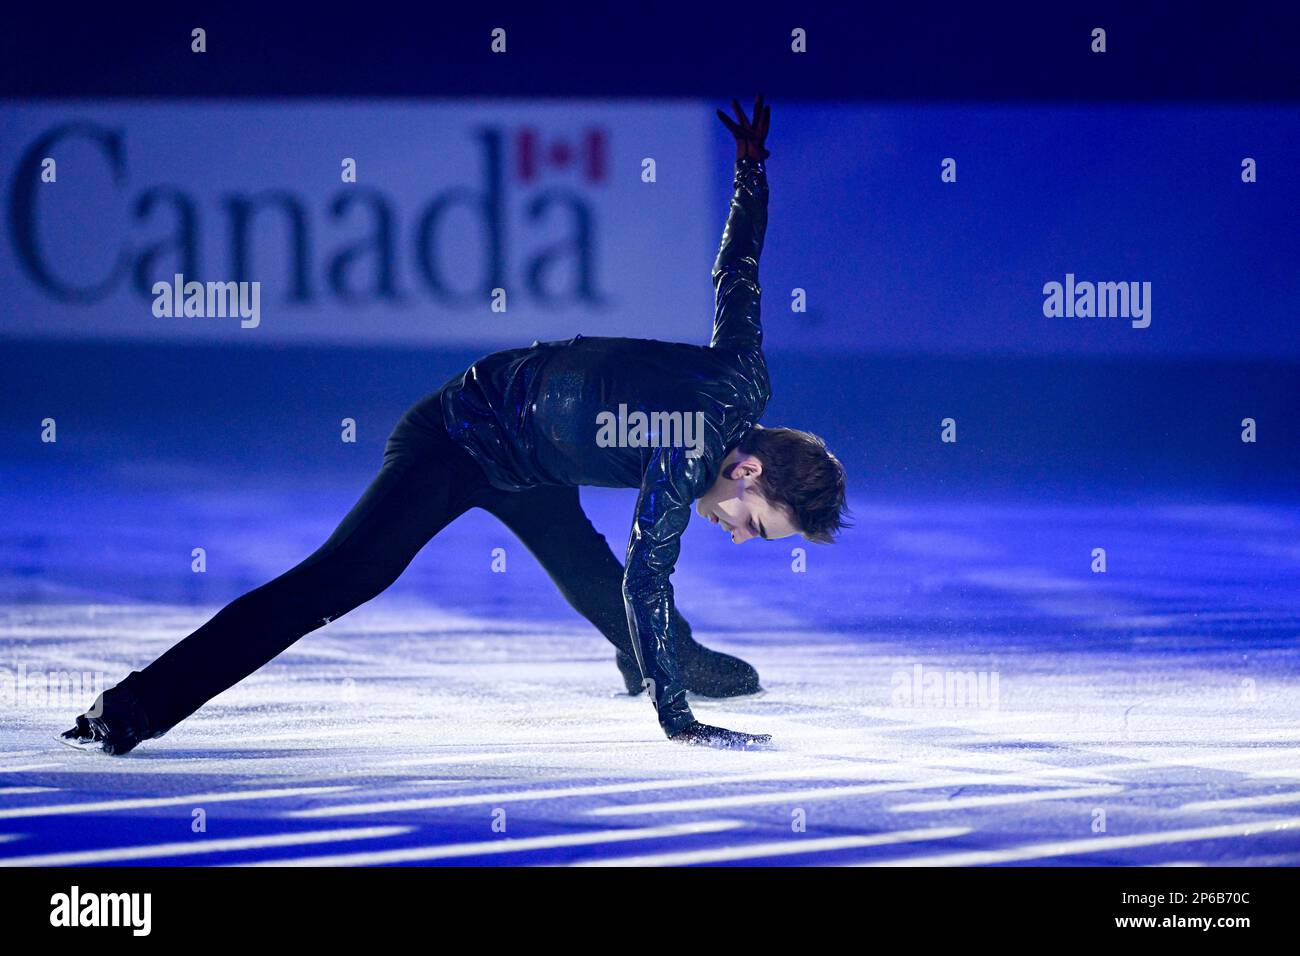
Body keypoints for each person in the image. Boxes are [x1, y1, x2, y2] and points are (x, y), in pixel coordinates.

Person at [62, 94, 848, 755]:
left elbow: (738, 271)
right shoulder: (686, 451)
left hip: (536, 462)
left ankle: (656, 653)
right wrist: (678, 721)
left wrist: (751, 172)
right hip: (456, 440)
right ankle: (131, 708)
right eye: (755, 524)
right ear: (748, 470)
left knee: (585, 568)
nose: (739, 536)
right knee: (340, 579)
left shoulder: (746, 380)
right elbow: (650, 575)